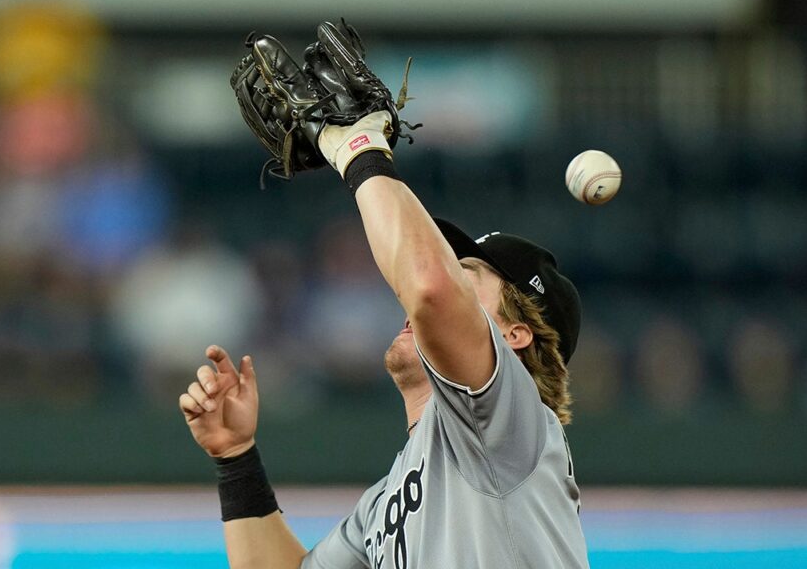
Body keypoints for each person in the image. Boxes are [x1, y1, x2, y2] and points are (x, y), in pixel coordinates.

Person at [178, 110, 590, 568]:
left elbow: (431, 289)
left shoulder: (511, 426)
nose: (429, 286)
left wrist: (362, 153)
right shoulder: (387, 500)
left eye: (465, 274)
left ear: (514, 335)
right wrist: (236, 458)